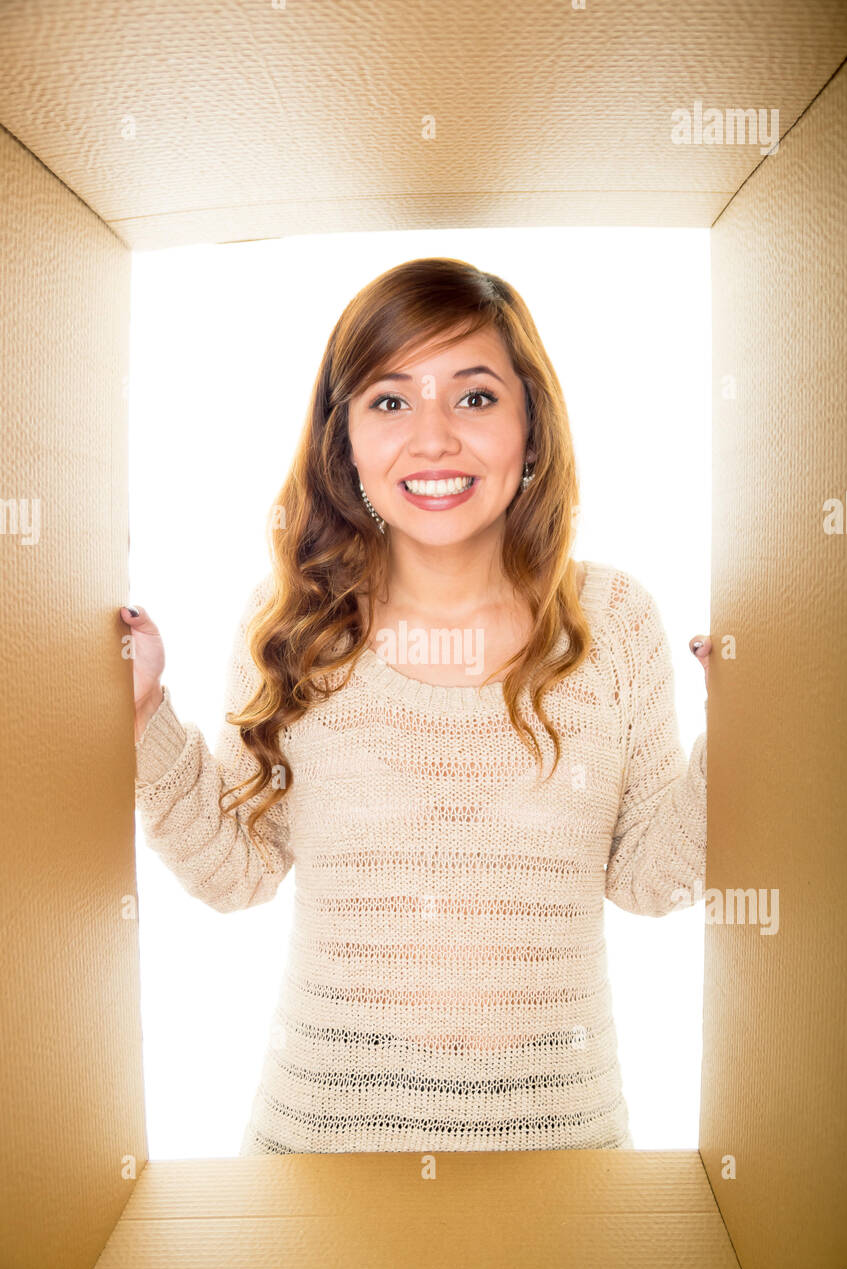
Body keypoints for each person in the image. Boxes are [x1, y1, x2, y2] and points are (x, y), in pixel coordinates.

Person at [122, 256, 711, 1155]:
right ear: (344, 440)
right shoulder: (294, 624)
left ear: (531, 428)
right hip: (320, 1151)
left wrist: (746, 734)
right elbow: (234, 874)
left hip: (561, 1154)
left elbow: (647, 880)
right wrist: (141, 714)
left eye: (474, 398)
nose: (432, 439)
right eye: (389, 401)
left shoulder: (615, 621)